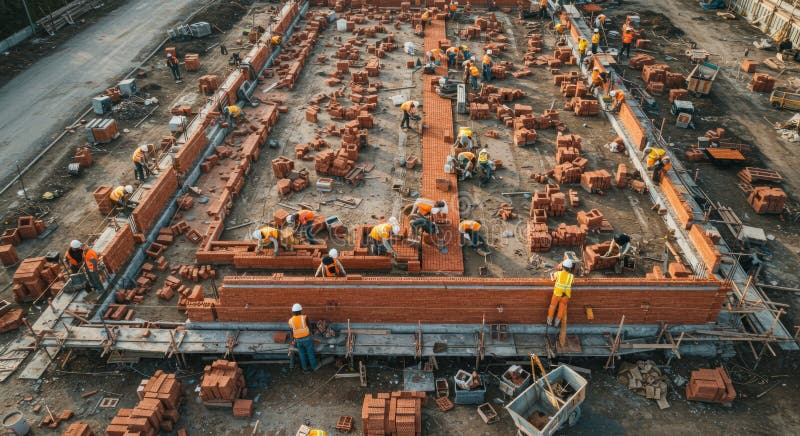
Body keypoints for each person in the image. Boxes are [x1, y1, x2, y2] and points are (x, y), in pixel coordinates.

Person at [288, 304, 317, 372]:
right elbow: (310, 327)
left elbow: (292, 331)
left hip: (298, 340)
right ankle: (314, 367)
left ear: (293, 312)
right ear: (300, 311)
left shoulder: (290, 320)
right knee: (310, 353)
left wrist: (293, 339)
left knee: (302, 354)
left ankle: (305, 369)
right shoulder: (304, 317)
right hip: (307, 339)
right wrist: (312, 334)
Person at [547, 259, 575, 327]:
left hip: (557, 294)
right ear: (570, 269)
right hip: (565, 296)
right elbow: (572, 282)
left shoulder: (558, 273)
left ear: (562, 266)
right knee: (561, 310)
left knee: (552, 307)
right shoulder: (571, 276)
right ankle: (556, 324)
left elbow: (553, 279)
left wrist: (551, 274)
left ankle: (549, 322)